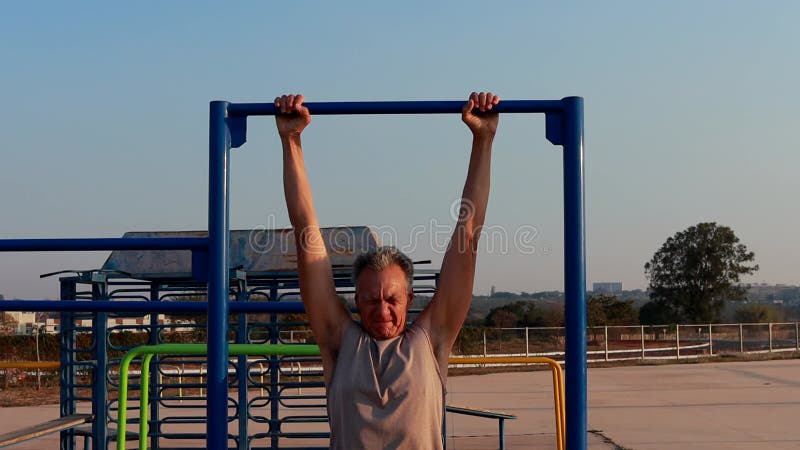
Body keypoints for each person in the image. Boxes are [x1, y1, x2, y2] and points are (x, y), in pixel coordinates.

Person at [275, 91, 499, 450]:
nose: (382, 310)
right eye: (371, 300)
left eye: (392, 299)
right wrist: (291, 140)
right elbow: (306, 233)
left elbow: (468, 236)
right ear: (356, 302)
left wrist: (483, 140)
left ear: (409, 298)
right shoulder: (339, 342)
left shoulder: (431, 341)